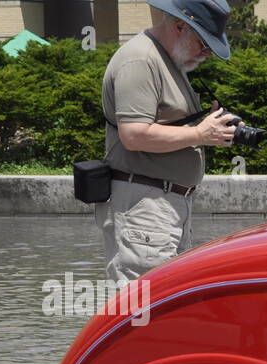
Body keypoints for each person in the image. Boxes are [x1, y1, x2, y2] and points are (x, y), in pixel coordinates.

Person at [97, 0, 238, 284]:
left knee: (162, 304)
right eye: (203, 42)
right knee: (143, 307)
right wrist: (200, 134)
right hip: (145, 206)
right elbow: (134, 135)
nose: (207, 53)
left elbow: (164, 124)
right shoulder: (141, 60)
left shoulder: (167, 61)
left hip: (161, 204)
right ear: (179, 26)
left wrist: (210, 126)